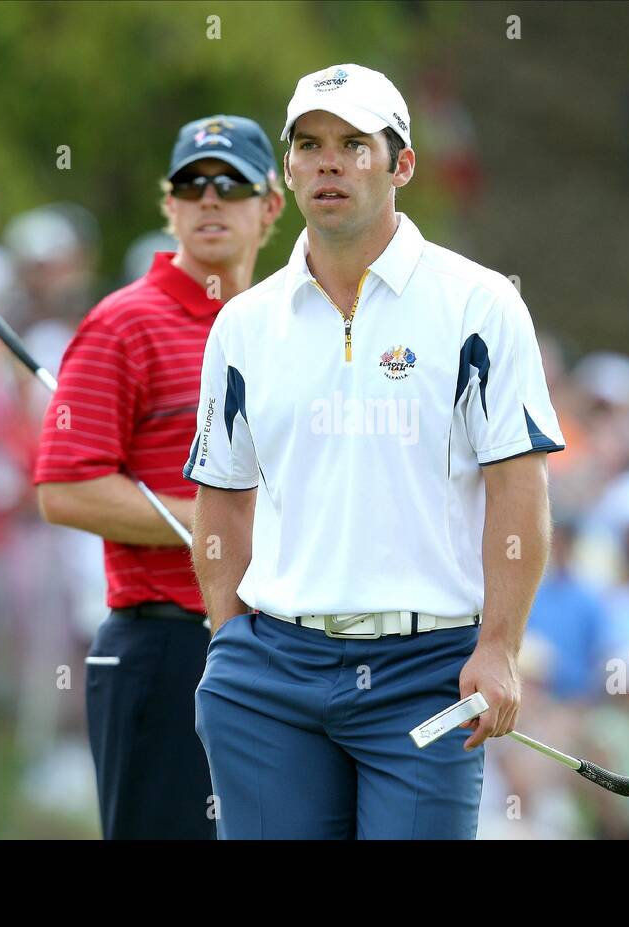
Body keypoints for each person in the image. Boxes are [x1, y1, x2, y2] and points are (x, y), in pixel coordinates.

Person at [186, 64, 565, 840]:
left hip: (426, 674)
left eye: (355, 145)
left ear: (402, 164)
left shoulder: (479, 305)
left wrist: (498, 647)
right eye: (311, 145)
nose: (330, 162)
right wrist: (229, 640)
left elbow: (518, 491)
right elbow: (222, 495)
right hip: (269, 675)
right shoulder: (245, 325)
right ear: (288, 170)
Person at [33, 115, 284, 839]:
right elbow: (65, 488)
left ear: (270, 206)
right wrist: (222, 524)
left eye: (231, 184)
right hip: (166, 646)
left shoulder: (288, 330)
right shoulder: (123, 325)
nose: (210, 199)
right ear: (168, 204)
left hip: (277, 650)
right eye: (191, 184)